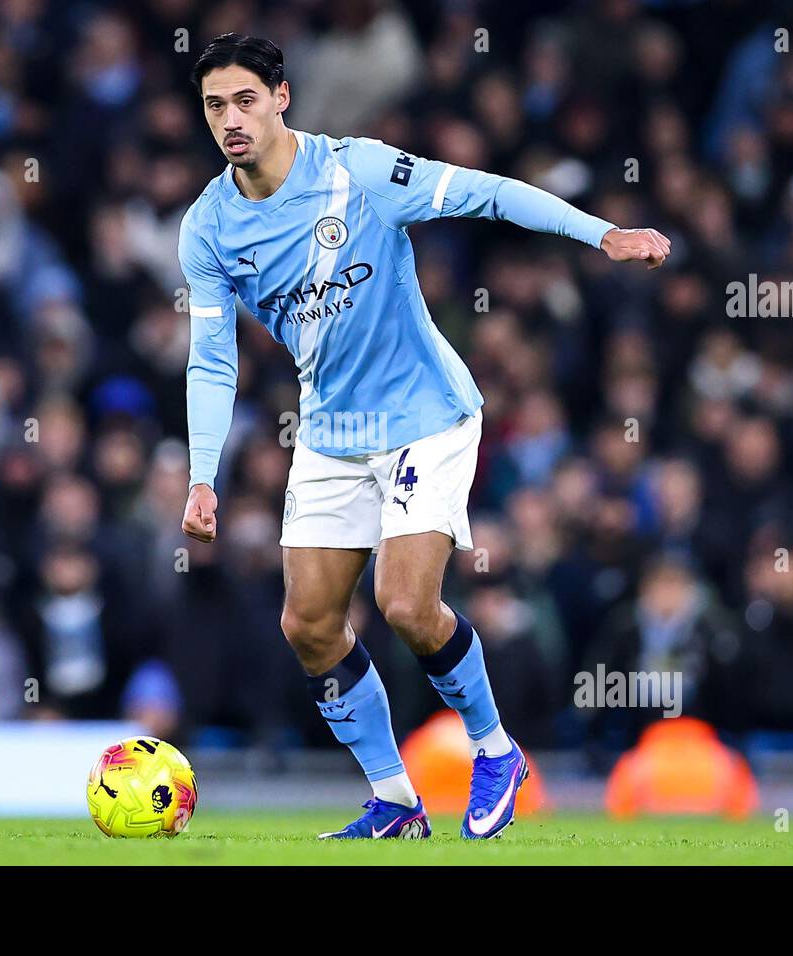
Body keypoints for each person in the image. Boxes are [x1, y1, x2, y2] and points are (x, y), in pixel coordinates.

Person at [177, 34, 670, 839]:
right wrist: (204, 475)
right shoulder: (208, 228)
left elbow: (491, 192)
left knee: (405, 603)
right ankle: (397, 801)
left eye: (244, 100)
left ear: (282, 97)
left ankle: (497, 751)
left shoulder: (359, 172)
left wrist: (602, 234)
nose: (231, 119)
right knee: (307, 625)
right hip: (332, 430)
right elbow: (209, 360)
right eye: (213, 106)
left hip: (427, 416)